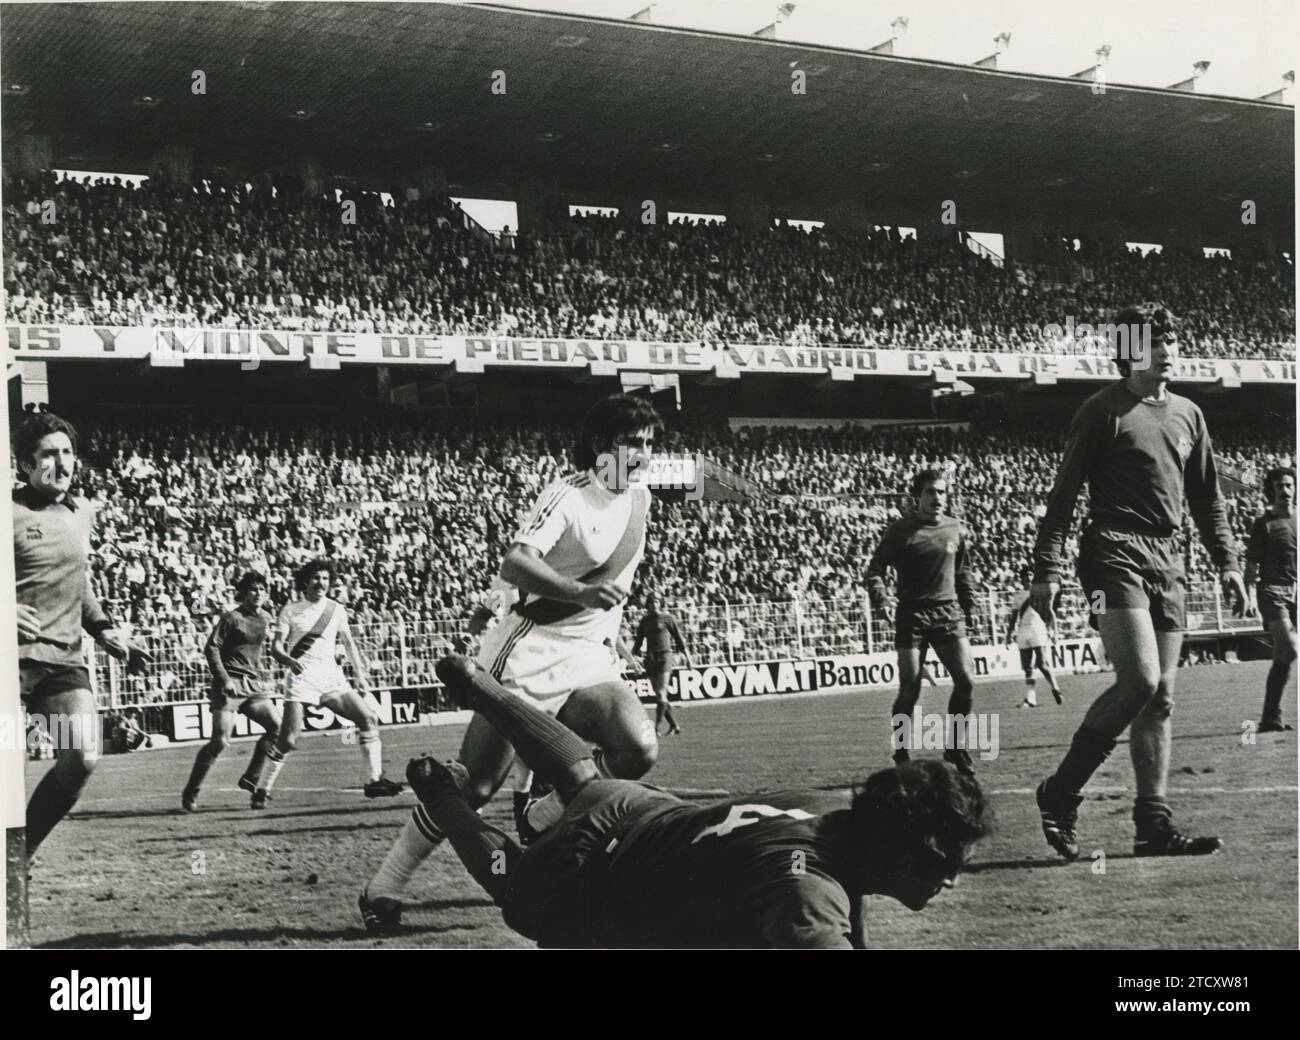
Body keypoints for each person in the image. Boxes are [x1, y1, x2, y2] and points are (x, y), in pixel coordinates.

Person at [403, 655, 989, 948]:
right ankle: (444, 799)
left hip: (638, 807)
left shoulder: (833, 811)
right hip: (591, 870)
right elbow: (818, 905)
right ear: (894, 847)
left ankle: (485, 687)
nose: (953, 881)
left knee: (581, 774)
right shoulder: (807, 900)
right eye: (944, 862)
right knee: (511, 882)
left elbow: (845, 883)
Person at [361, 393, 663, 933]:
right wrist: (576, 592)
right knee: (475, 787)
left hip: (588, 657)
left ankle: (539, 816)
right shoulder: (567, 496)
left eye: (649, 443)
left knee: (637, 747)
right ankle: (383, 886)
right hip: (529, 651)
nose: (642, 453)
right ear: (600, 446)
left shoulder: (641, 498)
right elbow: (516, 561)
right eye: (631, 442)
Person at [1030, 303, 1247, 860]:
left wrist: (1227, 562)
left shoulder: (1190, 414)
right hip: (1111, 554)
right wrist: (1046, 572)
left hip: (1168, 559)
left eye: (1172, 339)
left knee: (1162, 699)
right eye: (1155, 342)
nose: (1168, 349)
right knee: (1142, 680)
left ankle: (1152, 827)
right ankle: (1061, 792)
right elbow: (1064, 494)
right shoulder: (1101, 410)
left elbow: (1208, 500)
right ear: (1130, 350)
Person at [12, 411, 151, 857]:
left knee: (84, 756)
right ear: (25, 466)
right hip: (10, 660)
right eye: (48, 454)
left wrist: (106, 629)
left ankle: (17, 856)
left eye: (67, 452)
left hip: (64, 659)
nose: (62, 462)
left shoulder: (80, 512)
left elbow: (79, 582)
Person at [247, 558, 404, 808]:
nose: (321, 583)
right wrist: (287, 660)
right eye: (316, 578)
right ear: (306, 581)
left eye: (325, 579)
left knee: (367, 718)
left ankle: (374, 781)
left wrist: (360, 676)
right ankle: (262, 790)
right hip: (301, 678)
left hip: (331, 677)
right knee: (288, 740)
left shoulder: (336, 609)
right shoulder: (291, 610)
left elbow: (349, 643)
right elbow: (276, 647)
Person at [866, 470, 979, 776]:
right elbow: (875, 569)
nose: (938, 498)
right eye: (931, 492)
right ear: (917, 497)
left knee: (966, 681)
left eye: (942, 492)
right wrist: (883, 598)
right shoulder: (901, 530)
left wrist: (969, 605)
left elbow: (963, 572)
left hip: (948, 613)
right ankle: (901, 752)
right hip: (911, 615)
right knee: (910, 689)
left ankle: (954, 747)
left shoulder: (956, 529)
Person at [181, 570, 282, 811]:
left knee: (277, 728)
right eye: (253, 590)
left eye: (262, 590)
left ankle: (252, 777)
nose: (258, 594)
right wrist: (224, 678)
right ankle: (191, 791)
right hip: (228, 684)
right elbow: (211, 648)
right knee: (220, 741)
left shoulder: (267, 617)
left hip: (252, 684)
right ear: (244, 593)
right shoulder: (231, 618)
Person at [1245, 467, 1296, 732]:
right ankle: (1269, 716)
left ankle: (1269, 718)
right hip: (1272, 592)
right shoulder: (1263, 525)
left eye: (1289, 485)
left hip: (1296, 589)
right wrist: (1250, 596)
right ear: (1271, 491)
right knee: (1290, 646)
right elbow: (1251, 566)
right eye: (1279, 487)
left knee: (1284, 653)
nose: (1285, 491)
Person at [632, 593, 691, 735]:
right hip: (650, 659)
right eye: (651, 602)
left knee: (661, 692)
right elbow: (638, 641)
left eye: (656, 601)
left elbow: (679, 639)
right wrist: (634, 657)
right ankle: (674, 726)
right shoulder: (644, 621)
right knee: (660, 696)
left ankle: (656, 727)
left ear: (661, 602)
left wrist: (688, 657)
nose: (654, 604)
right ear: (647, 604)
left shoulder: (668, 618)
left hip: (665, 656)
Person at [1003, 572, 1063, 708]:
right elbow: (1013, 618)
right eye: (1026, 577)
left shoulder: (1040, 594)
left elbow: (1050, 613)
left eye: (1031, 577)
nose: (1028, 579)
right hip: (1023, 630)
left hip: (1037, 628)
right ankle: (1031, 698)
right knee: (1027, 667)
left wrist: (1055, 633)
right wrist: (1008, 636)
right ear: (1022, 580)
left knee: (1042, 664)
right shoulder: (1018, 596)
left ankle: (1056, 689)